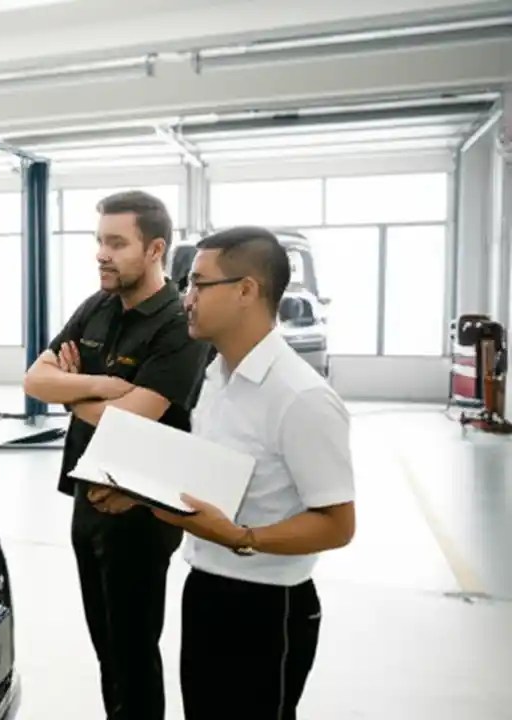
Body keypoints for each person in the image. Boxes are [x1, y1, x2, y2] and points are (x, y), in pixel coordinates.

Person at [151, 226, 356, 720]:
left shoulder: (301, 397)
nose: (186, 298)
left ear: (246, 290)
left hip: (268, 608)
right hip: (205, 588)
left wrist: (241, 537)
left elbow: (338, 524)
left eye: (199, 284)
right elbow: (211, 472)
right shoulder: (217, 376)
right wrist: (139, 490)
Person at [22, 190, 209, 719]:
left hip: (140, 504)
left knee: (132, 649)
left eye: (117, 243)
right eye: (100, 241)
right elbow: (35, 380)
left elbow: (135, 416)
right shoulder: (97, 306)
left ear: (155, 249)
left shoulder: (177, 323)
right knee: (106, 646)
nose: (102, 254)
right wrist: (103, 386)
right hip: (87, 493)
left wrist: (70, 391)